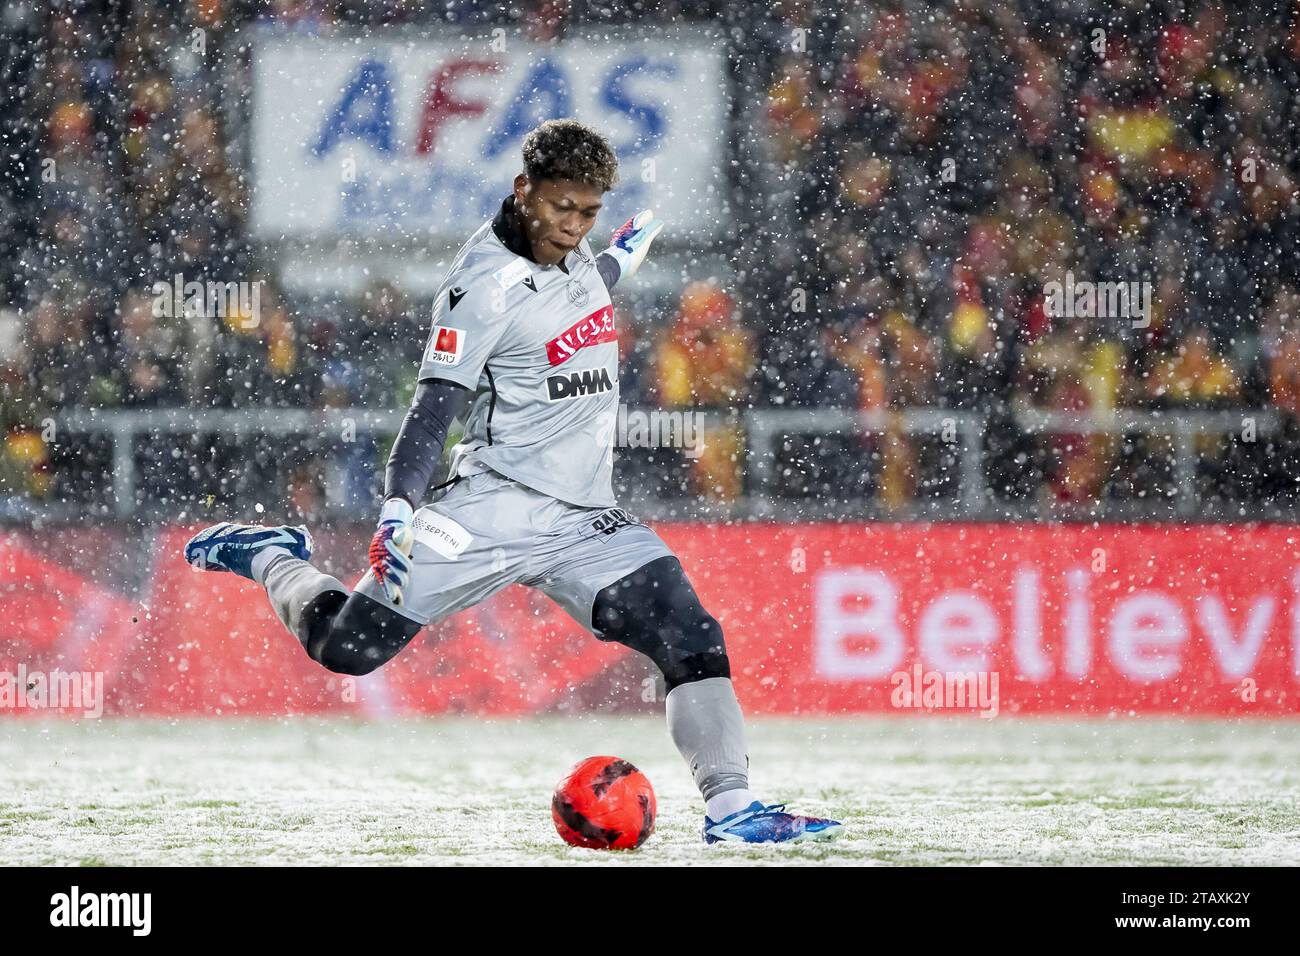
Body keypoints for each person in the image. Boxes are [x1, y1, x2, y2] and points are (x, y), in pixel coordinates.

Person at [184, 119, 841, 845]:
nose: (575, 225)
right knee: (347, 647)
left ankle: (731, 810)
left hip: (584, 520)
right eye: (564, 208)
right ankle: (270, 554)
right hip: (486, 513)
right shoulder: (478, 288)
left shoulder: (575, 251)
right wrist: (398, 507)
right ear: (523, 188)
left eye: (589, 213)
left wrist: (619, 254)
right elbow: (431, 413)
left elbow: (580, 291)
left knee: (692, 636)